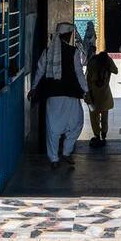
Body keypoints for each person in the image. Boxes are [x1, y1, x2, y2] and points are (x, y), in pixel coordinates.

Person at [29, 22, 89, 170]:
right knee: (76, 123)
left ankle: (55, 158)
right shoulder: (73, 52)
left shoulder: (48, 51)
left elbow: (40, 70)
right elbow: (79, 73)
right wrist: (86, 91)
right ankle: (66, 152)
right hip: (70, 95)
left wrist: (34, 87)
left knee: (53, 129)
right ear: (67, 35)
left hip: (53, 96)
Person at [85, 51, 118, 147]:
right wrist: (109, 60)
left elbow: (87, 78)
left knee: (94, 117)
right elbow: (115, 70)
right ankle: (104, 133)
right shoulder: (107, 63)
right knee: (104, 116)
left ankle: (97, 135)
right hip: (104, 95)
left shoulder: (92, 62)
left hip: (93, 95)